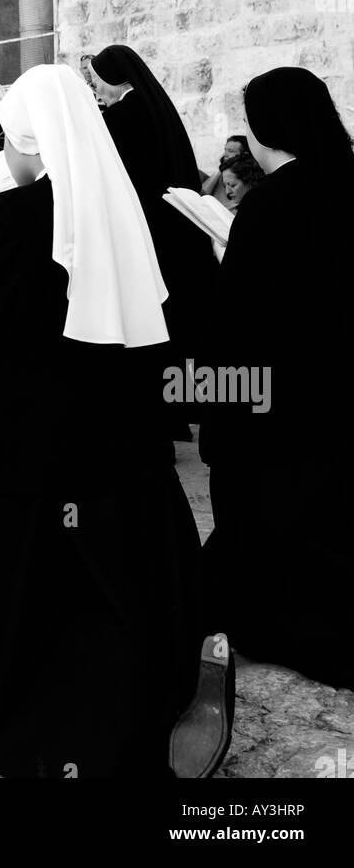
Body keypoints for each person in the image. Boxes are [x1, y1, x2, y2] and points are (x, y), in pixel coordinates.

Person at [0, 65, 230, 778]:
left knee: (29, 587)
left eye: (9, 137)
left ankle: (35, 681)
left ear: (32, 136)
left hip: (28, 441)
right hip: (119, 440)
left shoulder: (11, 216)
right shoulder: (133, 213)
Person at [200, 67, 354, 690]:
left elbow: (241, 319)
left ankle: (276, 623)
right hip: (340, 393)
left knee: (275, 515)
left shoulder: (273, 202)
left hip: (282, 402)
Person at [89, 45, 219, 441]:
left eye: (95, 78)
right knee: (171, 324)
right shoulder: (154, 105)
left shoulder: (124, 115)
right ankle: (174, 414)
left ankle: (159, 419)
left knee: (148, 329)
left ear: (112, 77)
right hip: (172, 229)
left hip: (144, 232)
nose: (94, 87)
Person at [201, 136, 249, 205]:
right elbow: (203, 193)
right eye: (225, 150)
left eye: (230, 151)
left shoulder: (248, 175)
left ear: (245, 155)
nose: (225, 155)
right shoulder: (222, 173)